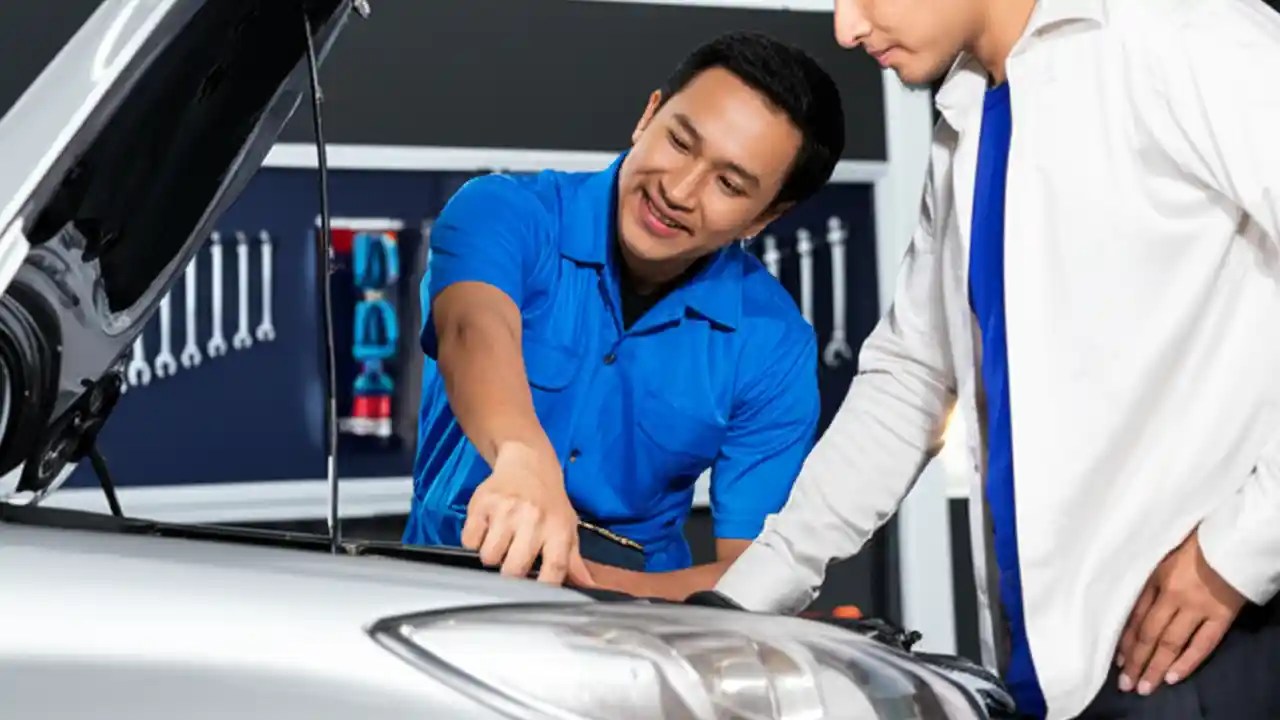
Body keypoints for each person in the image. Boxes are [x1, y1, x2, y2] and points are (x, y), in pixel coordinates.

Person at [586, 1, 1280, 718]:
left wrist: (1235, 556)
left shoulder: (1185, 35)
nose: (845, 28)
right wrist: (736, 605)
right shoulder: (969, 121)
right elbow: (910, 381)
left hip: (1213, 641)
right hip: (1060, 667)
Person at [402, 32, 846, 588]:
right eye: (680, 143)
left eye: (729, 184)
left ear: (765, 217)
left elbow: (755, 574)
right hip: (439, 591)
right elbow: (470, 328)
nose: (679, 191)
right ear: (649, 115)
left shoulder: (775, 346)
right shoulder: (501, 211)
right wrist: (523, 459)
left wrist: (589, 590)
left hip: (636, 629)